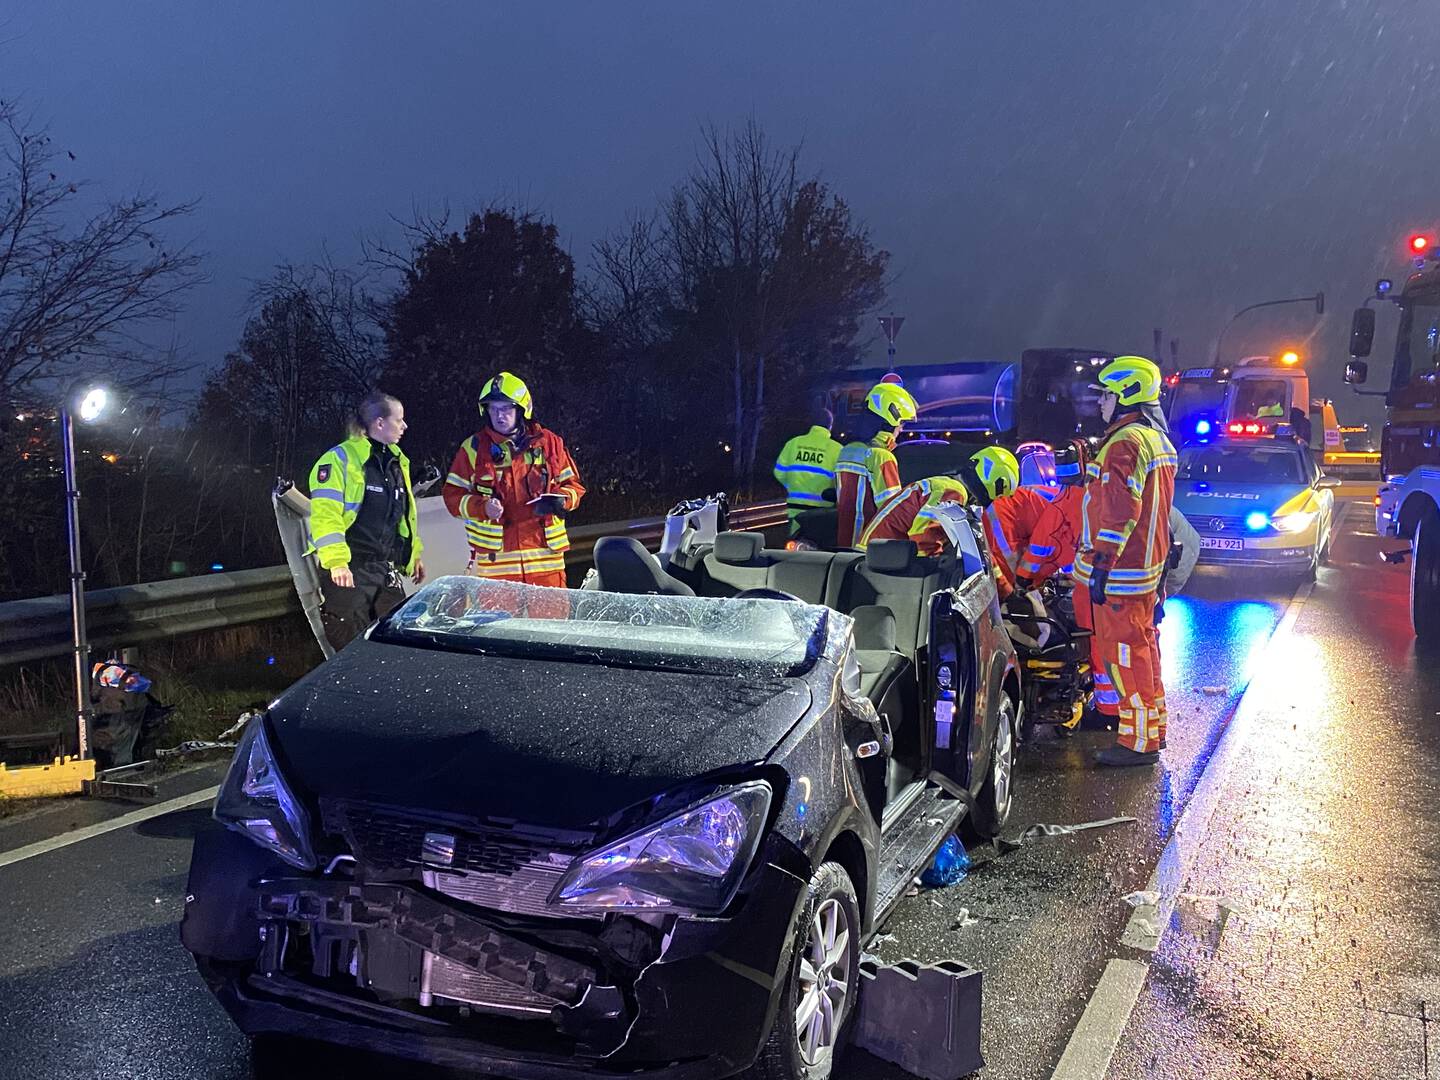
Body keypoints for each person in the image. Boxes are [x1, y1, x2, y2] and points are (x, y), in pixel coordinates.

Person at [1074, 356, 1178, 767]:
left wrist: (1101, 564)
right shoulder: (1158, 442)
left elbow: (1119, 512)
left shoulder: (1124, 443)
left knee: (1123, 656)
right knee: (1145, 650)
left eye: (1106, 394)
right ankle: (1155, 731)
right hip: (1146, 572)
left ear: (1127, 396)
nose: (1101, 402)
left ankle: (1137, 744)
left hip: (1120, 575)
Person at [442, 371, 585, 588]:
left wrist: (562, 500)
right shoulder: (473, 448)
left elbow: (574, 486)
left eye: (506, 408)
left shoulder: (549, 444)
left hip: (545, 561)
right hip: (496, 564)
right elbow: (453, 496)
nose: (499, 415)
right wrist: (482, 507)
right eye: (493, 408)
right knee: (500, 623)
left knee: (551, 622)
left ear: (521, 410)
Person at [308, 391, 425, 650]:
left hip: (382, 567)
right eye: (399, 420)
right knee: (353, 647)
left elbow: (402, 516)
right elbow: (326, 516)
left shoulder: (395, 462)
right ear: (380, 423)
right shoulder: (339, 460)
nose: (405, 426)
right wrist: (337, 563)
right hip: (349, 568)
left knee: (398, 638)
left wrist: (412, 555)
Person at [860, 447, 1020, 557]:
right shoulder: (954, 492)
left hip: (876, 555)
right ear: (996, 487)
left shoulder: (947, 484)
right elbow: (923, 540)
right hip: (877, 562)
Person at [835, 381, 918, 547]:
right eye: (901, 423)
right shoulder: (881, 456)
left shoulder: (847, 451)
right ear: (890, 420)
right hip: (870, 549)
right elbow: (893, 511)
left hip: (844, 544)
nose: (901, 429)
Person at [773, 407, 843, 536]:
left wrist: (794, 486)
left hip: (795, 511)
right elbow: (841, 483)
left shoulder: (793, 444)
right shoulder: (837, 449)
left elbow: (779, 473)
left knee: (794, 551)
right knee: (819, 553)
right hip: (822, 514)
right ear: (830, 426)